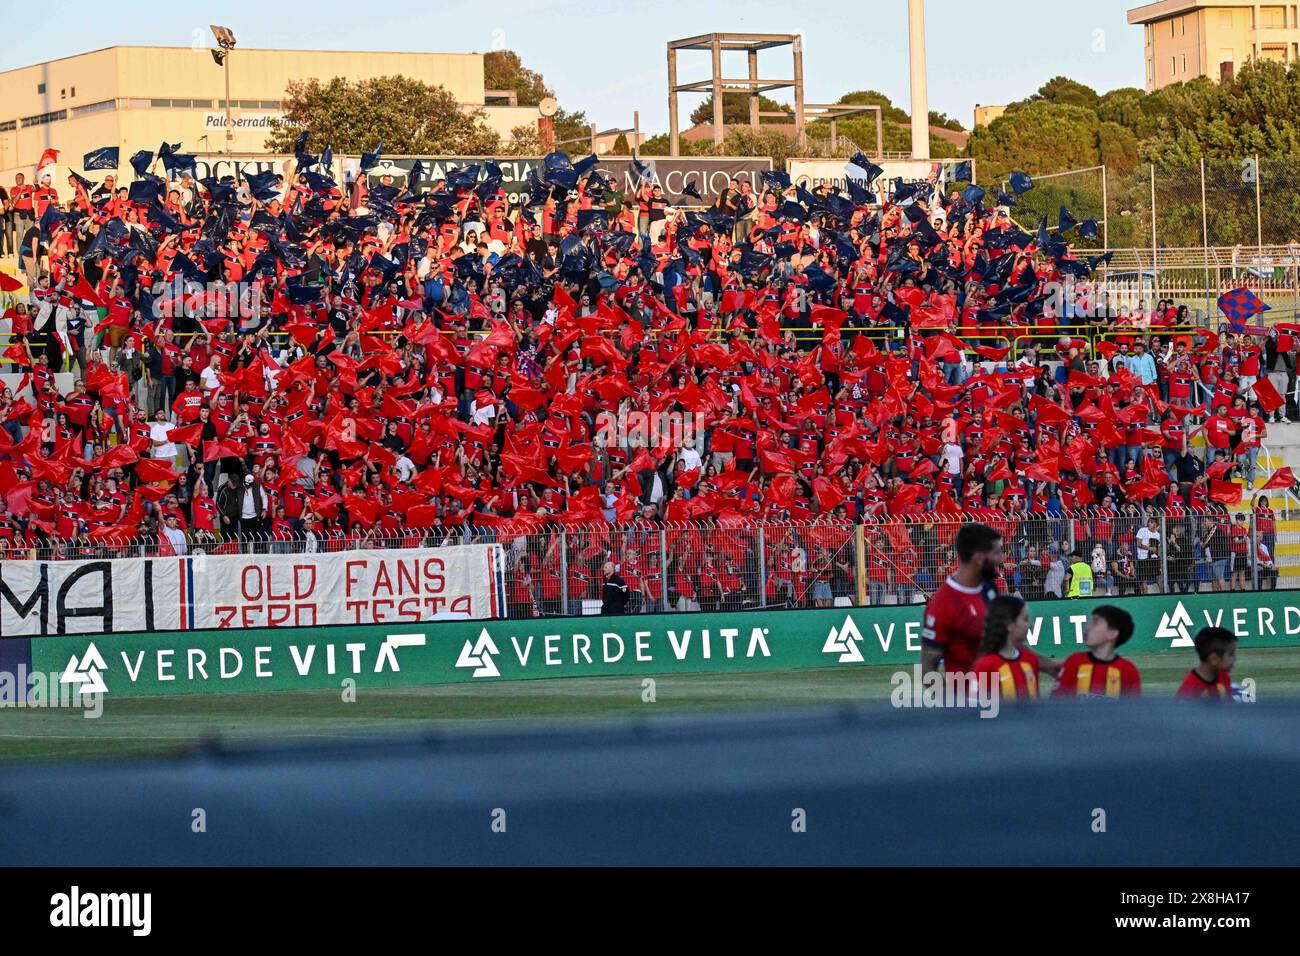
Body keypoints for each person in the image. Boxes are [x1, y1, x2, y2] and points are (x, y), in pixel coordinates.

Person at [920, 522, 1002, 678]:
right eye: (996, 553)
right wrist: (955, 701)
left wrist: (1050, 666)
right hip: (973, 700)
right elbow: (927, 672)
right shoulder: (943, 605)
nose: (1000, 558)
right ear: (979, 558)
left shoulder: (989, 589)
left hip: (1004, 697)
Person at [970, 595, 1061, 702]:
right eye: (1025, 619)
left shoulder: (1030, 659)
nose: (1030, 625)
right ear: (1009, 625)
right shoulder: (985, 665)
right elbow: (974, 712)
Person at [1051, 605, 1142, 699]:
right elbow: (1056, 701)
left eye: (1095, 622)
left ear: (1112, 634)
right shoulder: (1074, 661)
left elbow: (1133, 710)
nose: (1087, 627)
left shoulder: (1128, 671)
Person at [1175, 626, 1237, 701]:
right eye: (1231, 654)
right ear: (1214, 659)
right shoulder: (1189, 691)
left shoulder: (1224, 677)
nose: (1235, 658)